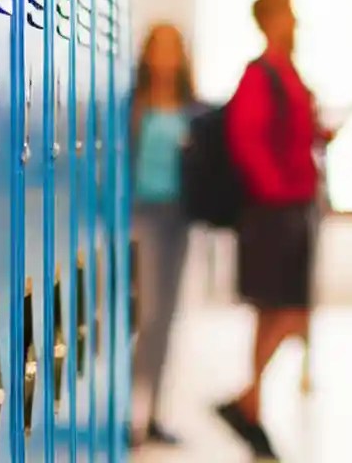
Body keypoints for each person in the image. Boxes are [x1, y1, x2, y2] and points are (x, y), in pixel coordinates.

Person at [216, 0, 328, 458]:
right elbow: (246, 140)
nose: (295, 23)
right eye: (288, 16)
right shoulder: (260, 75)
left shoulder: (288, 74)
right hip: (274, 211)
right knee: (288, 310)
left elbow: (292, 134)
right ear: (269, 21)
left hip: (291, 205)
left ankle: (252, 403)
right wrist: (278, 189)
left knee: (273, 311)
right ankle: (246, 399)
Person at [128, 23, 203, 448]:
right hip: (142, 215)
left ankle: (153, 413)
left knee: (168, 318)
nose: (166, 57)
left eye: (173, 48)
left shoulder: (192, 107)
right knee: (147, 314)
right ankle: (131, 410)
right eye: (158, 48)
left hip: (179, 216)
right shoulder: (134, 106)